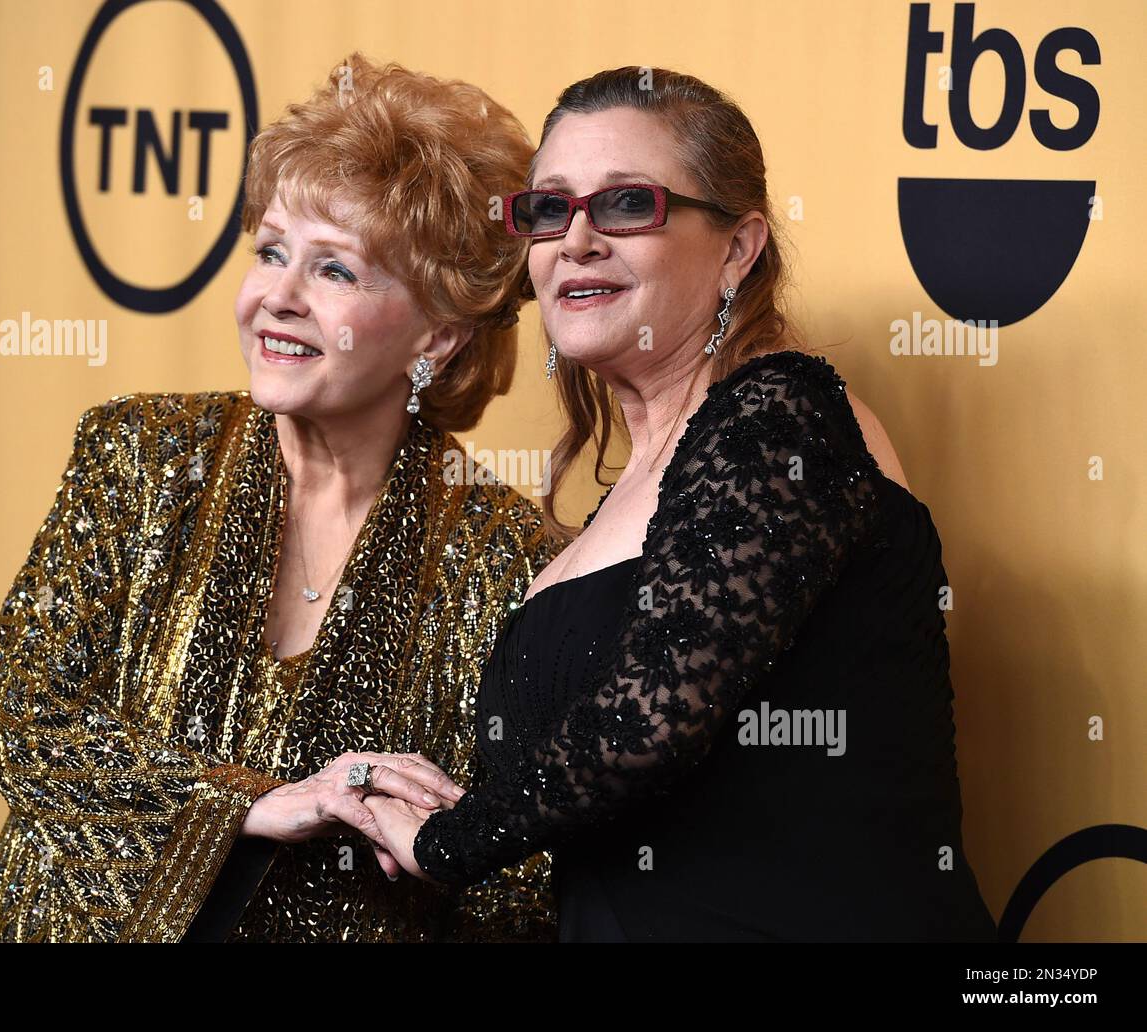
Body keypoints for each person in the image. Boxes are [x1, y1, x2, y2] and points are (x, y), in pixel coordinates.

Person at [365, 65, 998, 943]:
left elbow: (644, 722)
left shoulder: (782, 415)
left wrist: (446, 839)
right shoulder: (616, 504)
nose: (575, 240)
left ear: (739, 247)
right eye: (548, 209)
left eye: (627, 204)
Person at [0, 53, 557, 943]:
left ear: (439, 331)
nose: (277, 297)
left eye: (335, 271)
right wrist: (256, 803)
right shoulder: (140, 456)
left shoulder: (507, 561)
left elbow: (511, 888)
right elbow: (34, 724)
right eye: (271, 251)